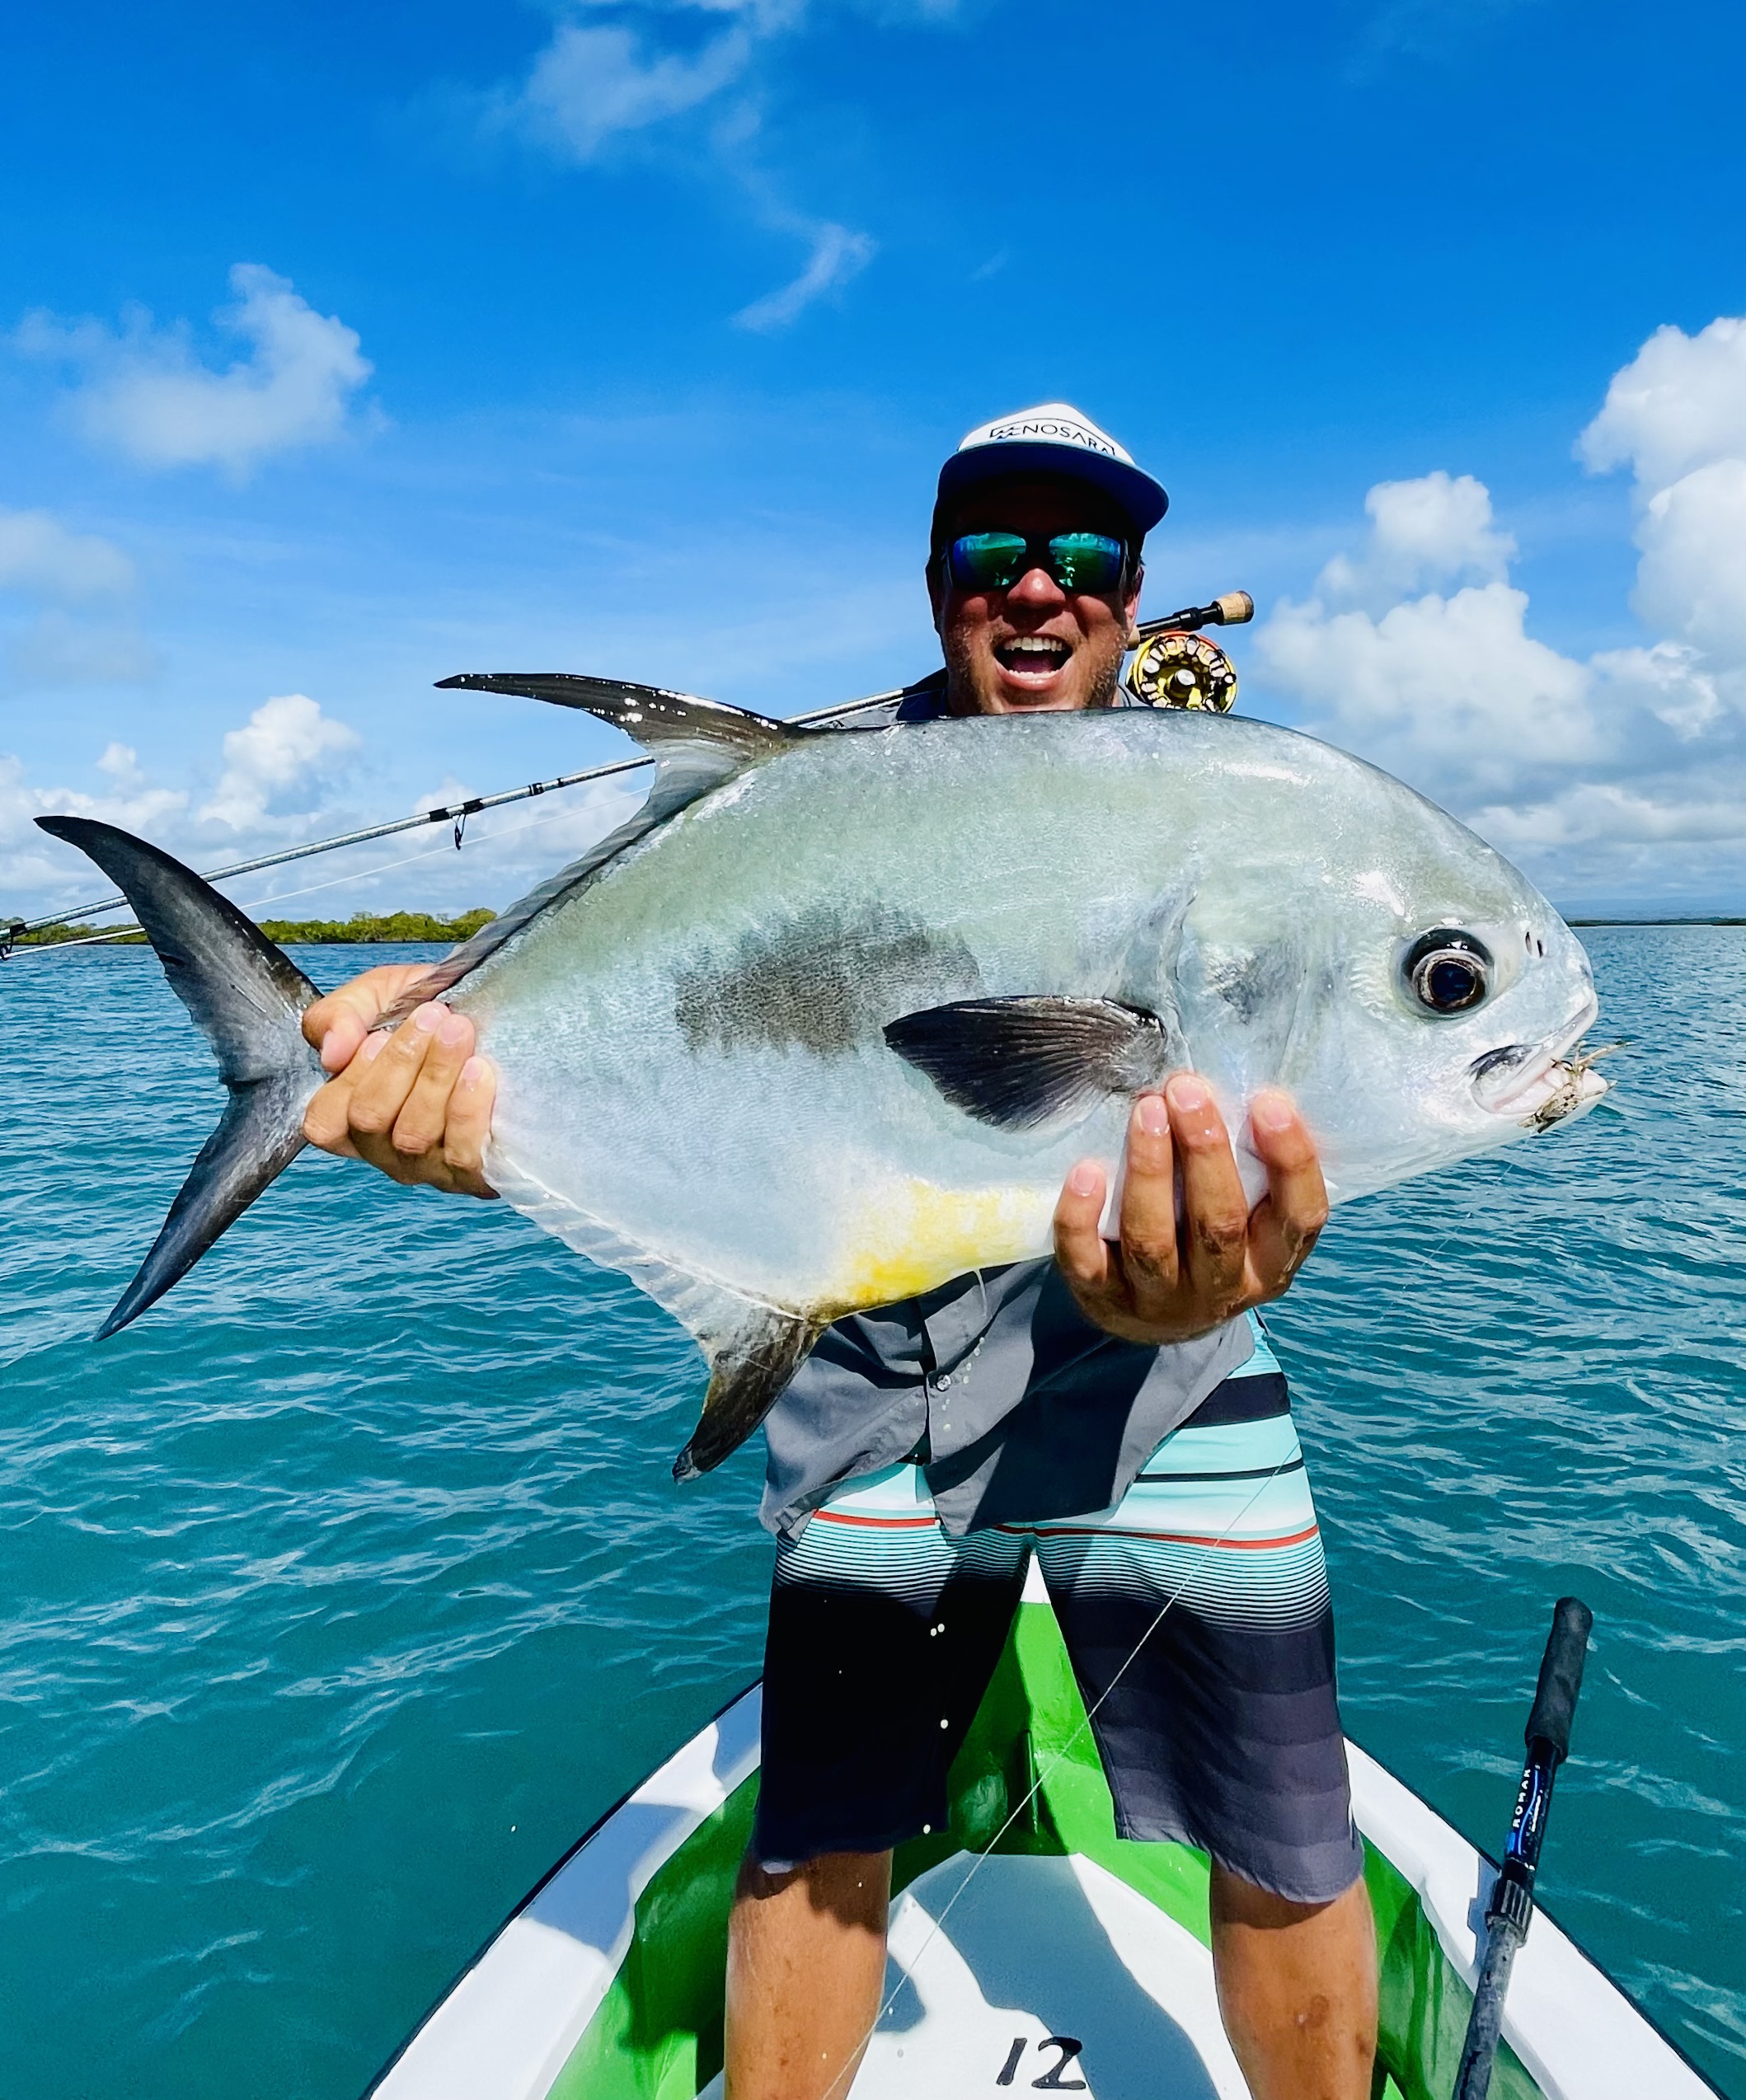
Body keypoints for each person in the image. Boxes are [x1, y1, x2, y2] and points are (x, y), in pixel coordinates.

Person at [298, 405, 1378, 2100]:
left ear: (1134, 592)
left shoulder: (1215, 800)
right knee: (819, 1829)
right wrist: (442, 1075)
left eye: (1085, 558)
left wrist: (1246, 1256)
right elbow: (683, 1044)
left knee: (1288, 1820)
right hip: (868, 1351)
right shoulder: (824, 787)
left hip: (1169, 1365)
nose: (1040, 585)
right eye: (994, 552)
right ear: (936, 582)